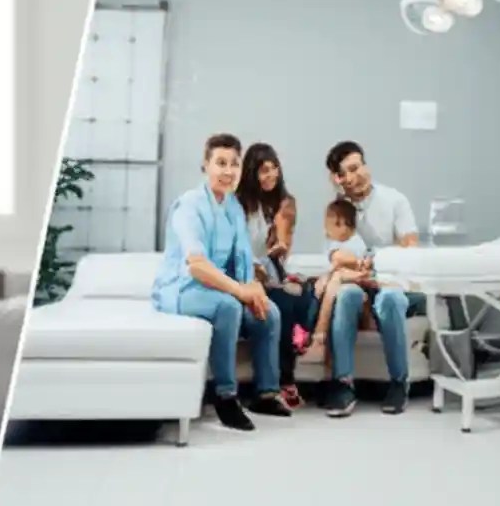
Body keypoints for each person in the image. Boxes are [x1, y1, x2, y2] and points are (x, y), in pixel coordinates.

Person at [151, 134, 291, 431]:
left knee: (269, 312)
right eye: (221, 163)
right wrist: (240, 291)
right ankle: (225, 396)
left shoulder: (234, 208)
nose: (228, 171)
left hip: (221, 286)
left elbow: (242, 258)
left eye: (234, 164)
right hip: (182, 289)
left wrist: (252, 286)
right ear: (206, 166)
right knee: (229, 306)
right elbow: (198, 265)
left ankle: (266, 392)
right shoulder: (189, 206)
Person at [322, 140, 424, 417]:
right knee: (346, 296)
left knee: (390, 299)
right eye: (345, 173)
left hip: (393, 282)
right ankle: (342, 383)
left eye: (357, 167)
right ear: (338, 178)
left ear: (365, 165)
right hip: (357, 281)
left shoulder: (394, 200)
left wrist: (375, 259)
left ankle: (398, 383)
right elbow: (335, 256)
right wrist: (359, 267)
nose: (353, 177)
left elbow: (411, 247)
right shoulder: (338, 210)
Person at [237, 142, 309, 409]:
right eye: (263, 171)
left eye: (274, 169)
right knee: (281, 301)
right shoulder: (238, 204)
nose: (271, 175)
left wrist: (278, 245)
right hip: (245, 272)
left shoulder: (285, 203)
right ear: (251, 173)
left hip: (271, 270)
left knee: (294, 296)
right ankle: (283, 381)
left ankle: (285, 379)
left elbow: (282, 245)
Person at [309, 199, 375, 358]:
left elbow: (341, 258)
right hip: (352, 281)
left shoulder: (353, 243)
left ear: (342, 224)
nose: (326, 231)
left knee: (333, 280)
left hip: (358, 287)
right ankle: (314, 333)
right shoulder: (338, 242)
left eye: (329, 226)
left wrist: (330, 274)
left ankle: (319, 335)